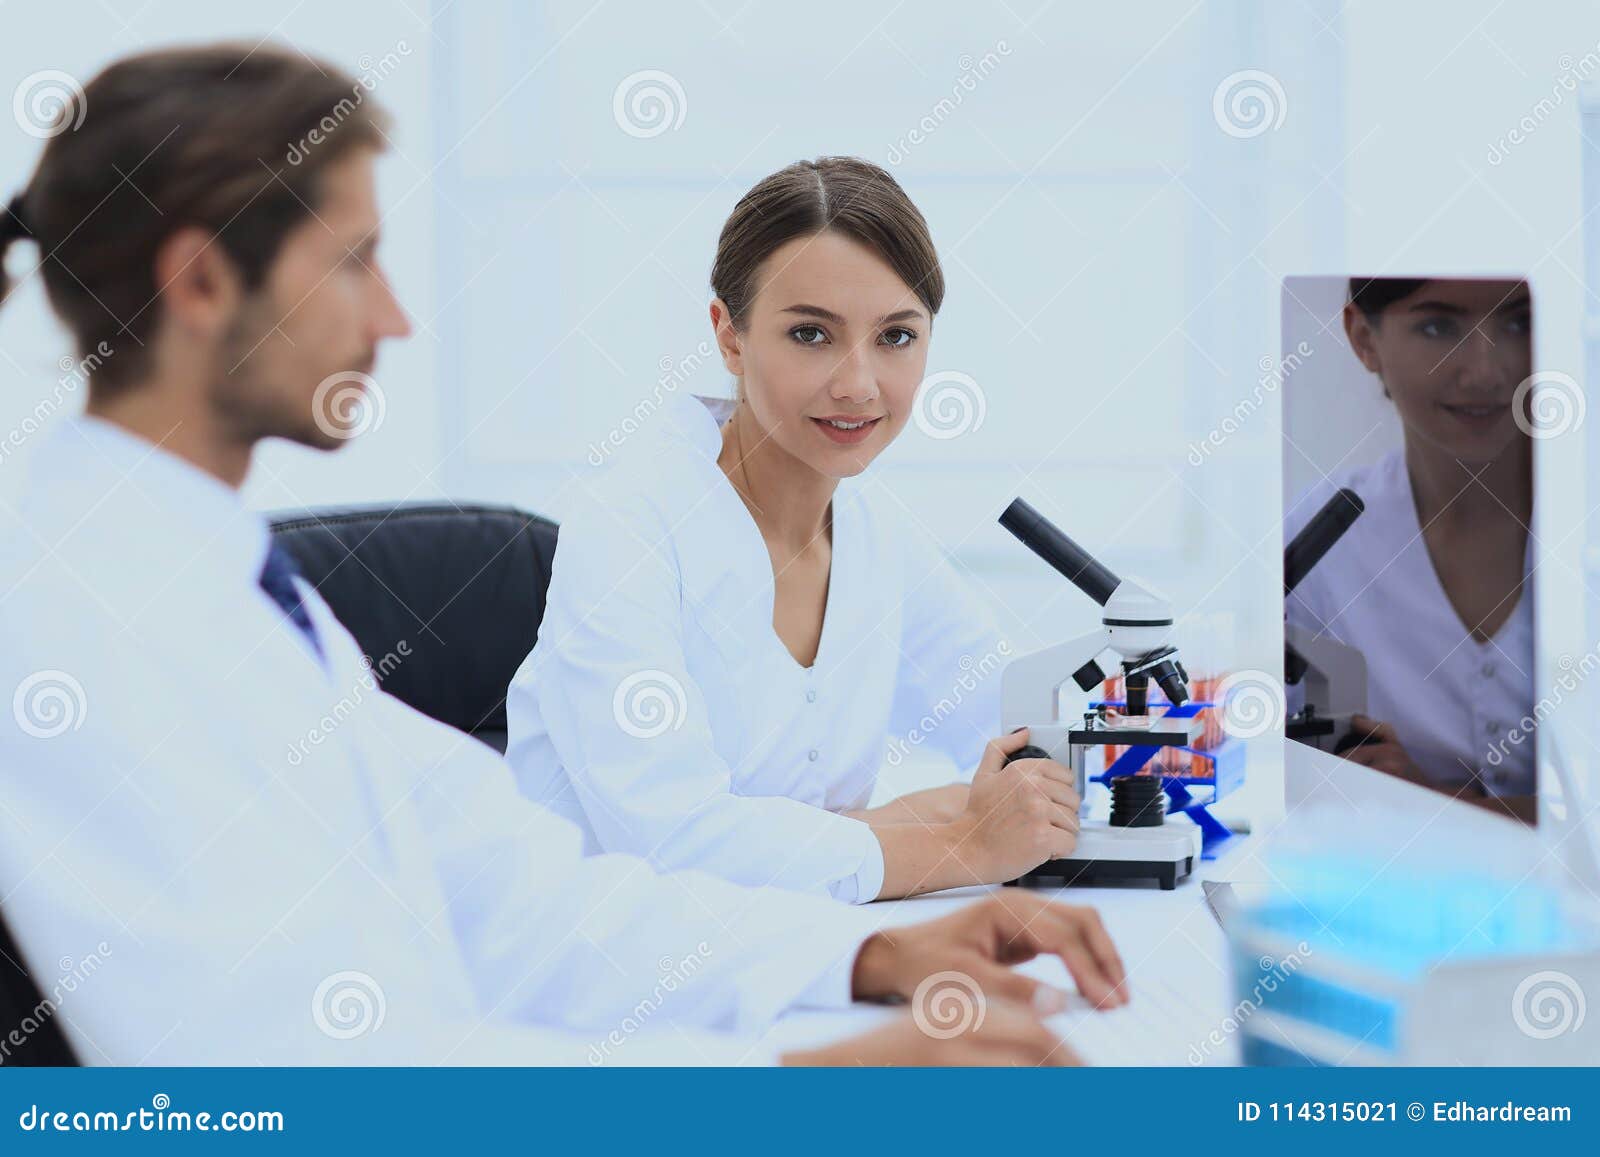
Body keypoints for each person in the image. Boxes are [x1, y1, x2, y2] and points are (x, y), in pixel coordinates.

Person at [0, 43, 1128, 1067]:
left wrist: (862, 961)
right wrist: (798, 1078)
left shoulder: (226, 586)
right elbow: (299, 1077)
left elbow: (522, 897)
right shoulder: (81, 628)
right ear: (201, 283)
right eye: (354, 260)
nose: (393, 316)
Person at [507, 157, 1080, 903]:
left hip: (811, 955)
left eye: (897, 337)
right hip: (601, 985)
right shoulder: (627, 529)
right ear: (730, 336)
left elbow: (1012, 717)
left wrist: (1158, 721)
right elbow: (676, 846)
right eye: (811, 334)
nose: (858, 383)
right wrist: (956, 840)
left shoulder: (875, 532)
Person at [1285, 277, 1536, 824]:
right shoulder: (1316, 541)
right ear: (1363, 339)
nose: (1486, 372)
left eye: (1520, 322)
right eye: (1437, 326)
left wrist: (1432, 805)